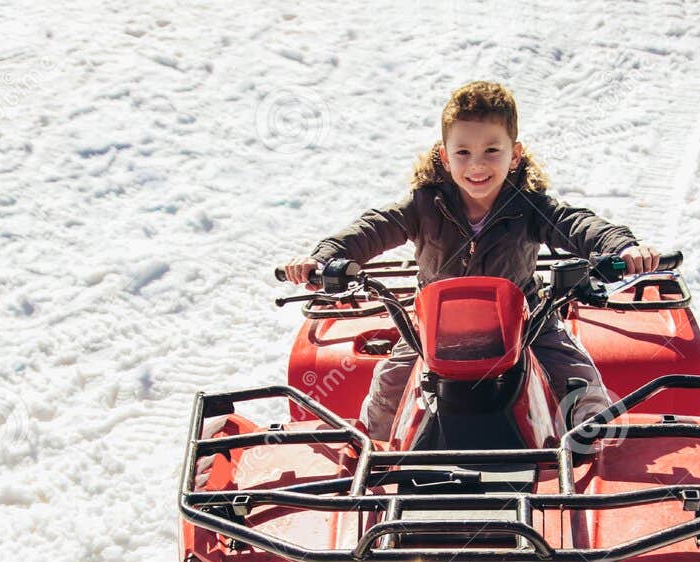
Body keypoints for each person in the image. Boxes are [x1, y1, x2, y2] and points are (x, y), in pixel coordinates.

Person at [280, 80, 660, 440]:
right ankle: (373, 464)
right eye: (463, 152)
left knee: (576, 377)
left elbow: (575, 223)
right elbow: (373, 228)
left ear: (515, 155)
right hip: (432, 328)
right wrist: (324, 258)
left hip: (527, 319)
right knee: (388, 387)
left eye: (491, 150)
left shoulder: (528, 206)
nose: (477, 165)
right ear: (445, 157)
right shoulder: (425, 205)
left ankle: (590, 466)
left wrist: (622, 247)